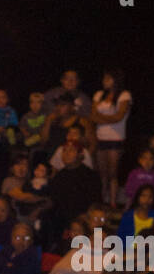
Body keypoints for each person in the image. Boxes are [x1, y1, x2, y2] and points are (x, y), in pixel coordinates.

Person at [47, 141, 102, 247]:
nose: (66, 153)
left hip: (83, 223)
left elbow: (96, 203)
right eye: (64, 151)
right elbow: (53, 201)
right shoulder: (59, 176)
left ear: (81, 155)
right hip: (62, 223)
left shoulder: (90, 176)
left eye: (71, 150)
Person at [91, 69, 132, 208]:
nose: (105, 81)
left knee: (113, 173)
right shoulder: (99, 94)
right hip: (100, 137)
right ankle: (102, 200)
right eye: (104, 78)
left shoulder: (124, 95)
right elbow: (93, 115)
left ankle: (113, 202)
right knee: (102, 173)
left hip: (116, 138)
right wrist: (110, 119)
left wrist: (101, 119)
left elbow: (119, 116)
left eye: (108, 78)